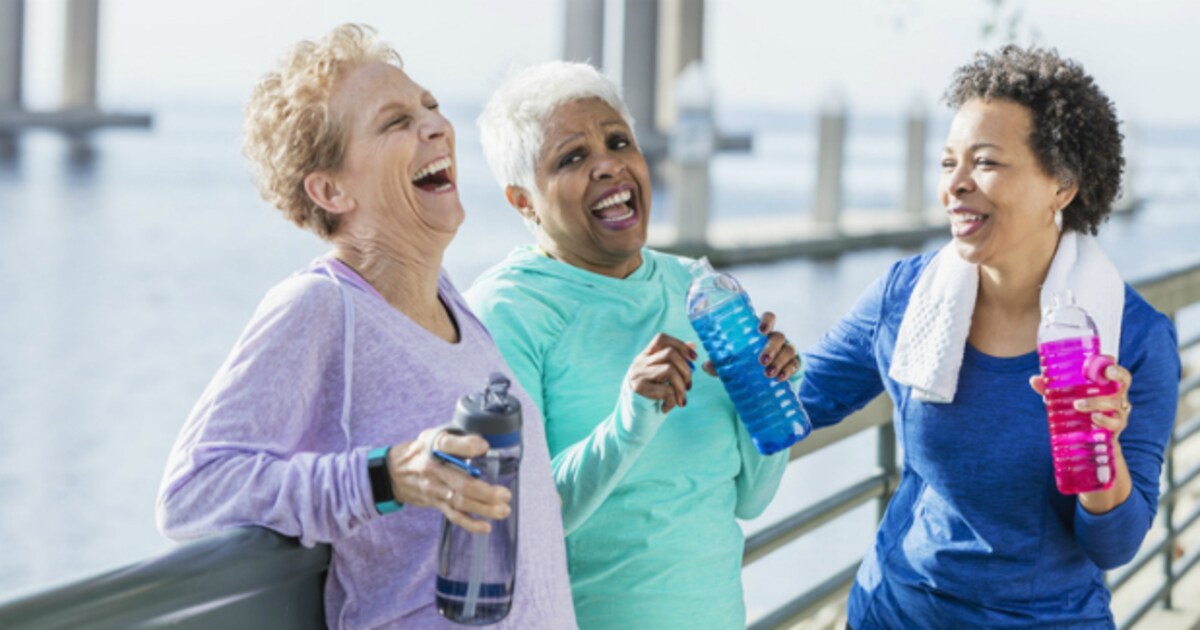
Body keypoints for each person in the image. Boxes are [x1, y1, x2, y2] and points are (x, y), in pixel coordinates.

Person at [155, 24, 575, 628]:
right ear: (330, 189)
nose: (435, 126)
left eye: (428, 106)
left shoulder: (456, 306)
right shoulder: (321, 307)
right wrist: (386, 474)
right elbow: (192, 494)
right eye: (395, 121)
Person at [798, 45, 1180, 628]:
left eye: (986, 162)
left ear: (1063, 186)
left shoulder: (1132, 339)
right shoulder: (906, 296)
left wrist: (1104, 446)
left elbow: (1115, 547)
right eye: (948, 162)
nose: (955, 184)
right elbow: (796, 402)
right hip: (893, 612)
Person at [466, 61, 798, 628]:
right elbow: (511, 520)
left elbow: (750, 500)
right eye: (572, 157)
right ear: (523, 201)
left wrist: (769, 397)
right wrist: (628, 422)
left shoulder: (697, 287)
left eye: (619, 141)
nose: (608, 164)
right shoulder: (505, 311)